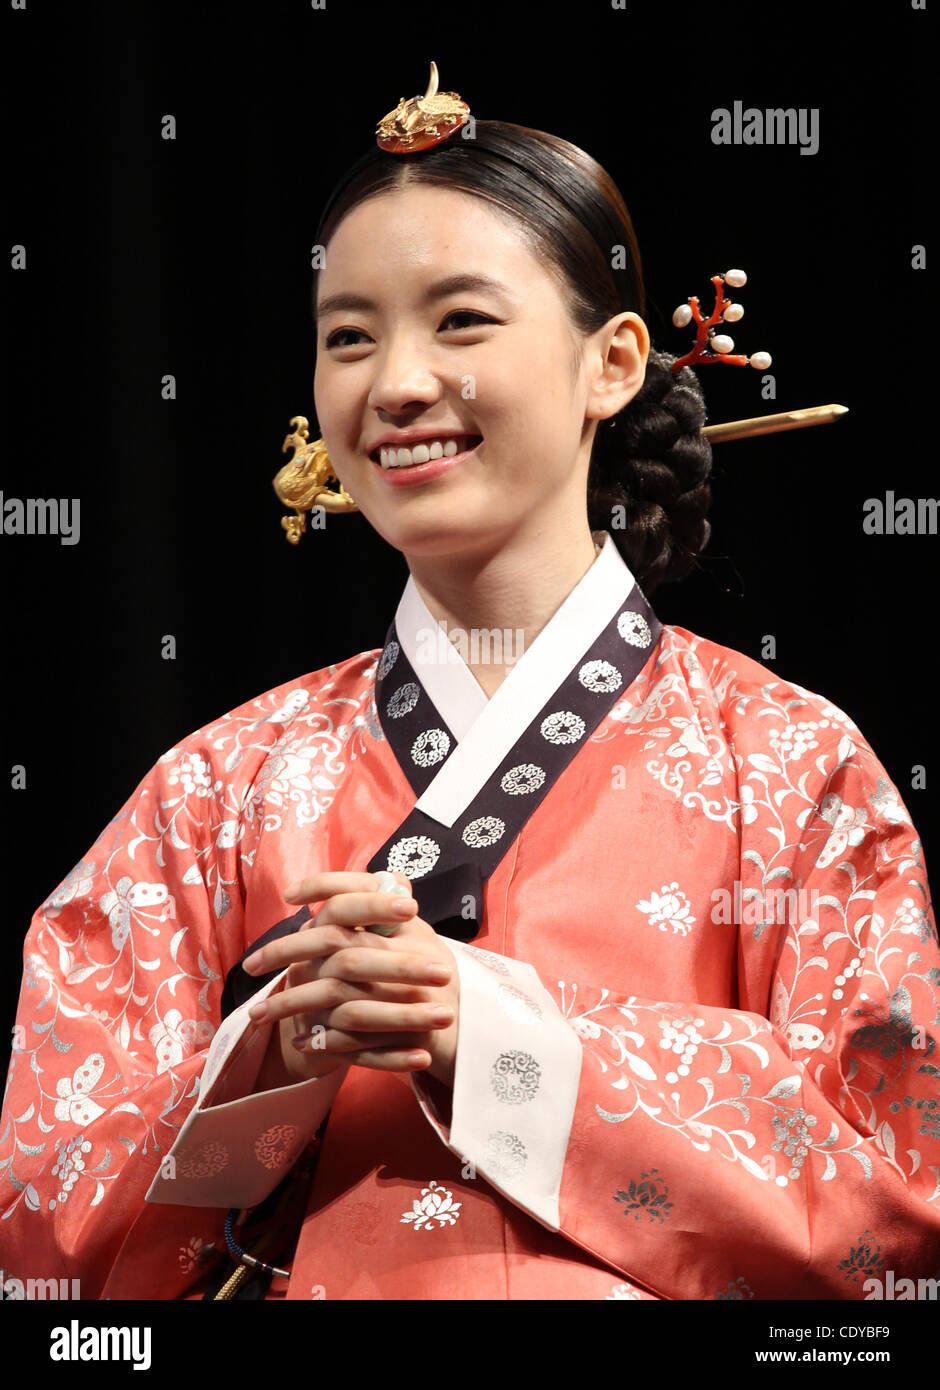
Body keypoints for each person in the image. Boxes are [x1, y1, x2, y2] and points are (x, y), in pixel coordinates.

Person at [2, 64, 938, 1303]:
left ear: (610, 365)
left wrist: (490, 1035)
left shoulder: (787, 761)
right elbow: (49, 1243)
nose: (392, 385)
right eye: (348, 335)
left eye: (460, 320)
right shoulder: (216, 786)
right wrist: (269, 1055)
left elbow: (895, 1209)